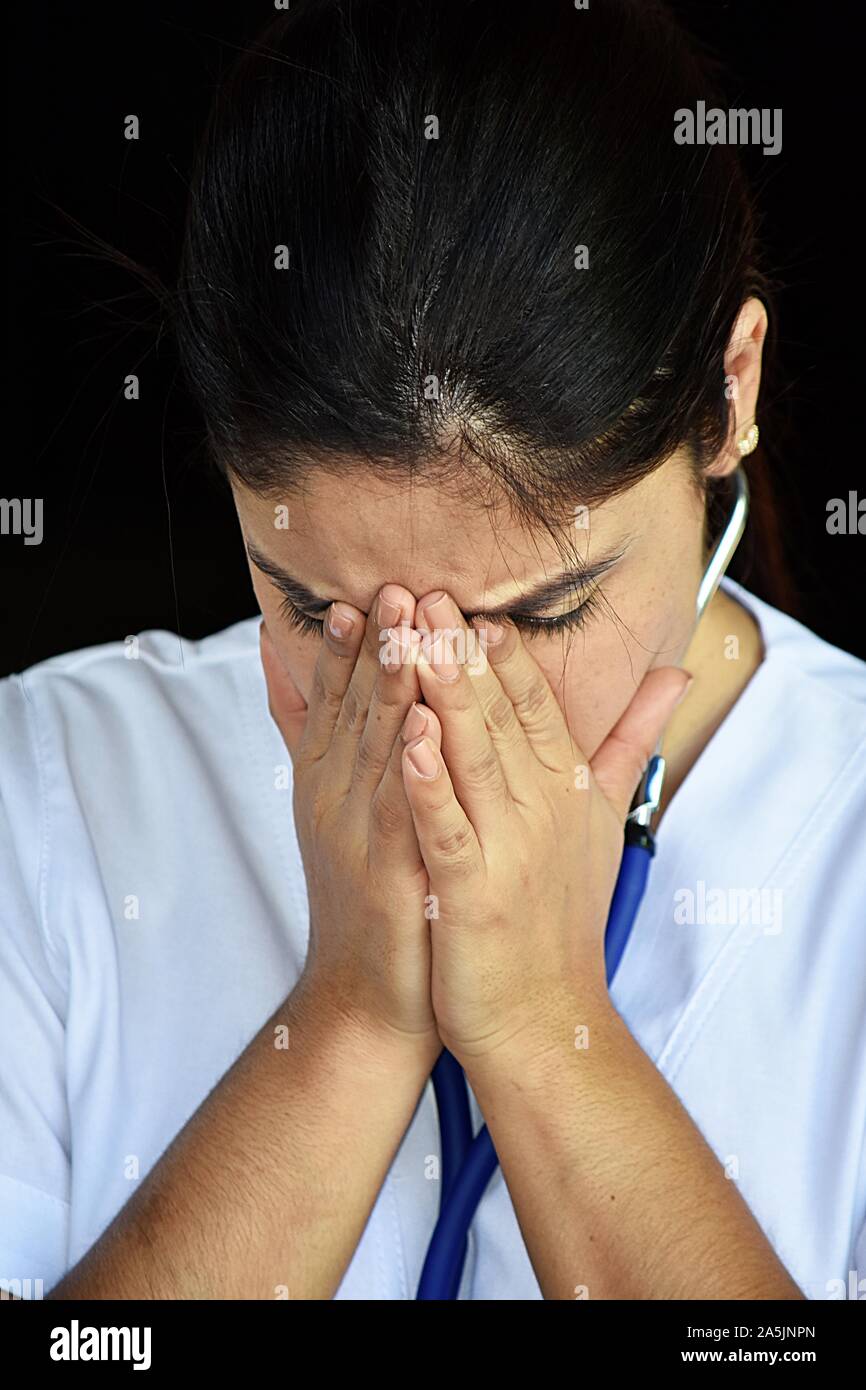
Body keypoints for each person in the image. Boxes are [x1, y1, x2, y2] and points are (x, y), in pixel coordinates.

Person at [1, 0, 863, 1301]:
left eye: (540, 611)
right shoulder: (47, 793)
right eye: (315, 606)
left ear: (726, 395)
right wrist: (348, 1015)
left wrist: (540, 1032)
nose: (423, 706)